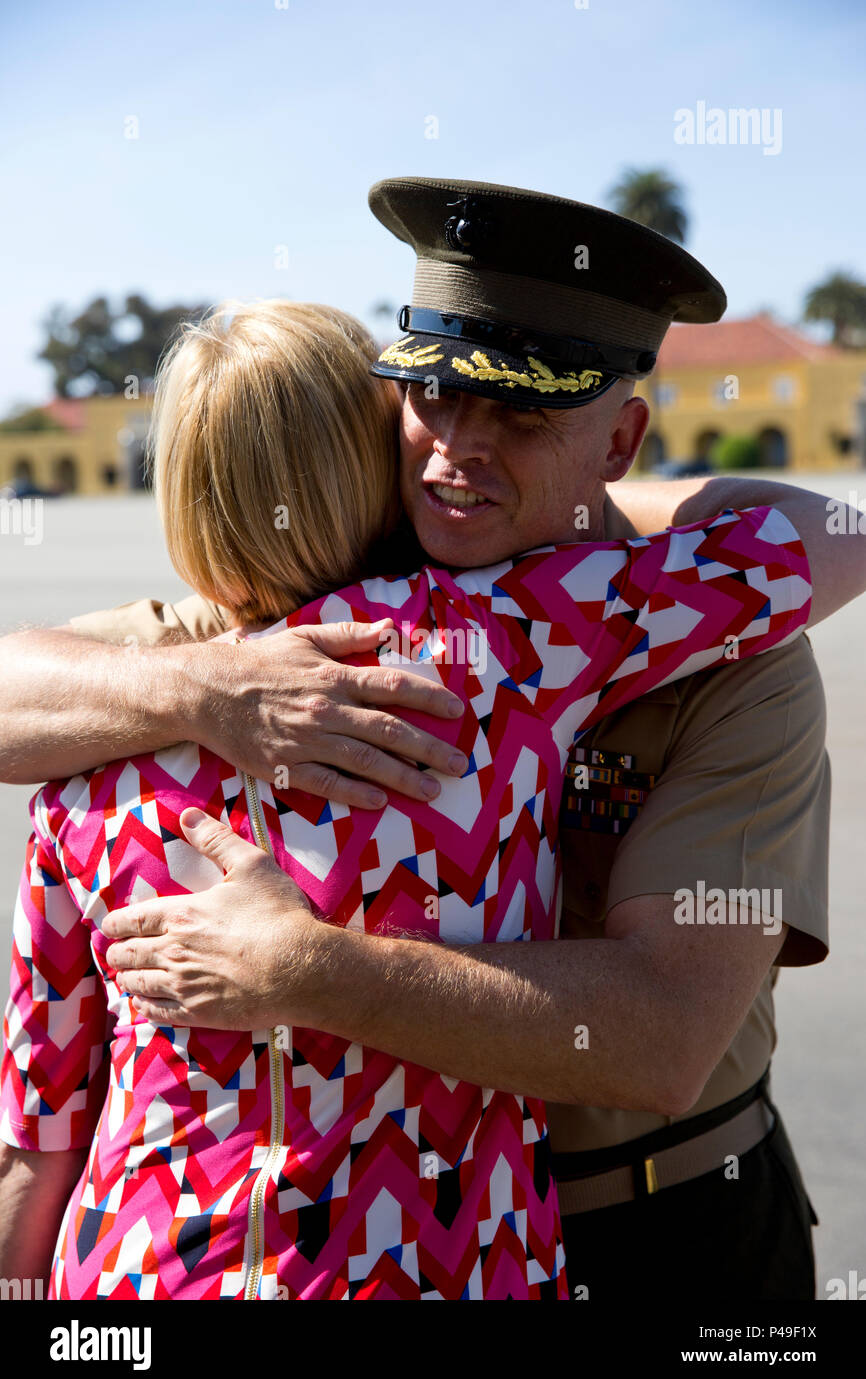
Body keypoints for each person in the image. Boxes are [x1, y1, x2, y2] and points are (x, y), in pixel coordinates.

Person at [1, 179, 863, 1301]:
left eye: (521, 413)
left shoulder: (715, 651)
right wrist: (206, 688)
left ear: (622, 439)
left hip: (661, 1223)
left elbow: (659, 1039)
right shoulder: (244, 641)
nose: (458, 448)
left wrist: (309, 970)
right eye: (434, 397)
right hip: (457, 1249)